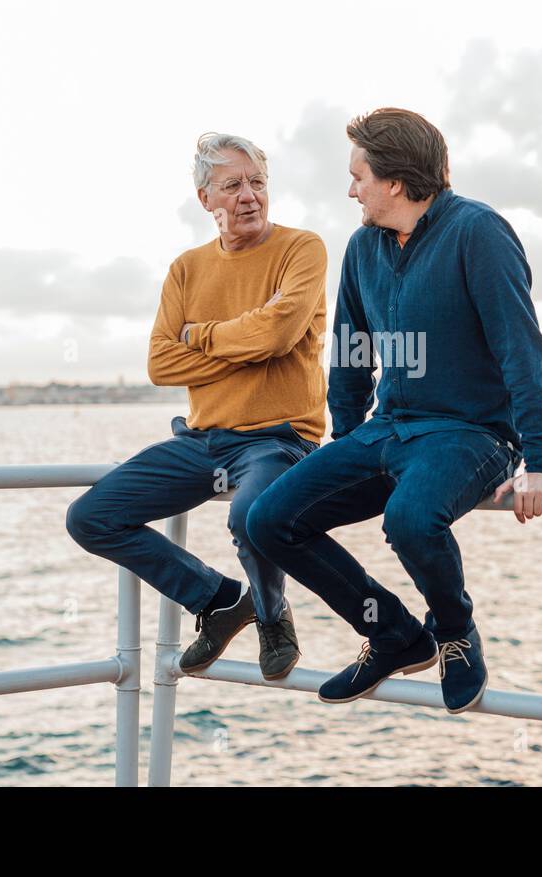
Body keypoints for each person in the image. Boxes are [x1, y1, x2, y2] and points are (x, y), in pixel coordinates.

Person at [246, 108, 542, 713]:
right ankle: (392, 632)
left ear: (393, 181)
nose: (351, 190)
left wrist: (541, 459)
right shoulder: (362, 247)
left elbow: (521, 349)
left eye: (358, 176)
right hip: (388, 429)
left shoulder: (478, 232)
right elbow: (350, 353)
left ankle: (454, 634)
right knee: (270, 520)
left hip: (473, 434)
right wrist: (344, 442)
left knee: (411, 520)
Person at [66, 132, 327, 681]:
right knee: (91, 518)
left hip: (279, 438)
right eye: (232, 186)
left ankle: (273, 616)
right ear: (206, 199)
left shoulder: (302, 249)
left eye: (257, 182)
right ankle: (219, 599)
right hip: (203, 440)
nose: (249, 196)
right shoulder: (186, 268)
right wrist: (249, 350)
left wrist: (202, 335)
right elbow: (161, 364)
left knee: (251, 516)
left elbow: (277, 335)